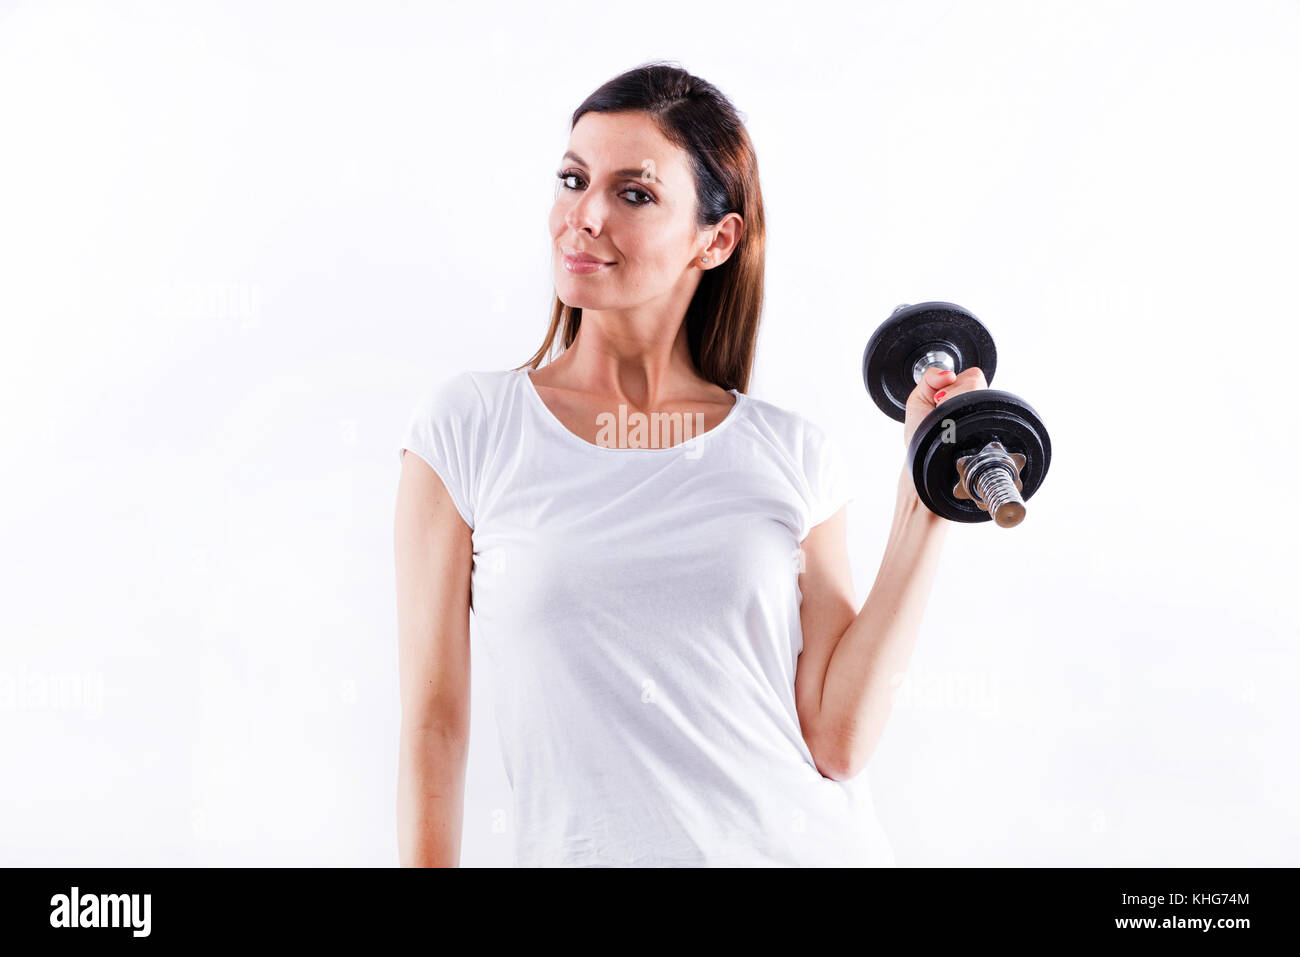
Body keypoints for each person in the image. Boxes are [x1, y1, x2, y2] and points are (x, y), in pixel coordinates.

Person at [394, 61, 986, 867]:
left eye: (634, 193)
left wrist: (928, 489)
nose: (585, 216)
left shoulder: (789, 453)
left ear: (717, 238)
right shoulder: (471, 429)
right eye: (573, 179)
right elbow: (434, 722)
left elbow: (838, 740)